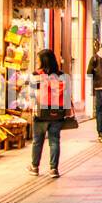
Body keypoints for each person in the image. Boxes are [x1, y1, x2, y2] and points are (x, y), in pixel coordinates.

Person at [27, 49, 70, 177]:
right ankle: (53, 169)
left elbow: (31, 95)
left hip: (40, 113)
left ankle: (34, 167)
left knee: (37, 141)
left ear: (43, 61)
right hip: (57, 113)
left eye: (38, 59)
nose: (37, 61)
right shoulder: (62, 75)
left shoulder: (36, 75)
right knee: (54, 140)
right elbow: (67, 95)